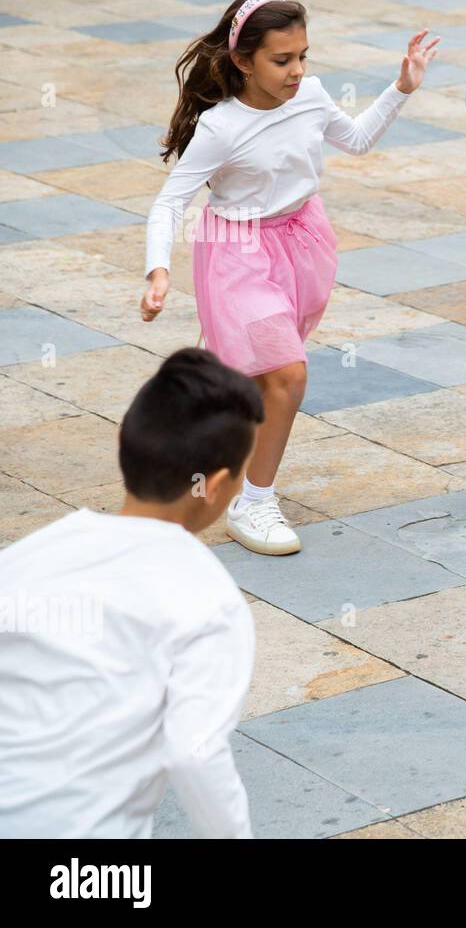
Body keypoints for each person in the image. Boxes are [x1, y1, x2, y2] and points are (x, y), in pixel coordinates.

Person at [139, 0, 438, 554]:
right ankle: (255, 502)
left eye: (304, 55)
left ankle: (212, 385)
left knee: (262, 371)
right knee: (288, 373)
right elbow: (169, 204)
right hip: (236, 251)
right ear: (243, 61)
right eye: (282, 60)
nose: (298, 71)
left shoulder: (313, 94)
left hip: (303, 241)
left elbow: (356, 140)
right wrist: (158, 270)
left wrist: (401, 88)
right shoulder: (220, 127)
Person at [0, 348, 265, 838]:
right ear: (217, 484)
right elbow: (196, 752)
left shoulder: (28, 558)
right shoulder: (209, 601)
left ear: (125, 439)